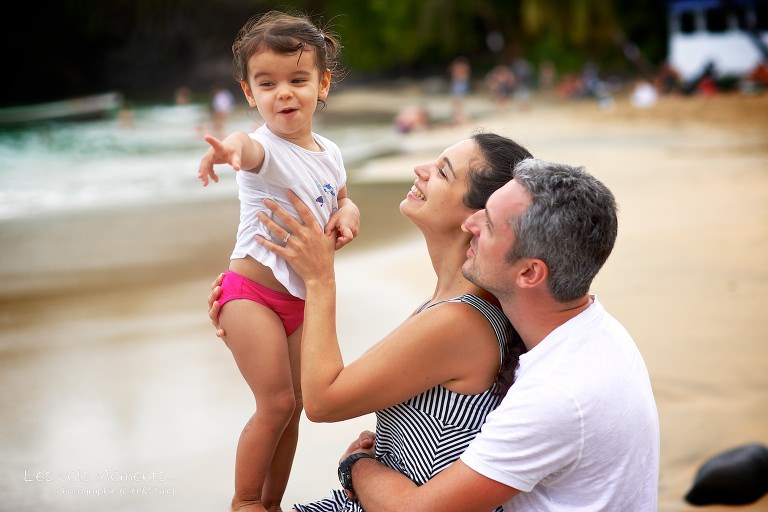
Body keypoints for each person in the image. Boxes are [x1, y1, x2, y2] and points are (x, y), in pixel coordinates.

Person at [206, 133, 533, 511]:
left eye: (442, 172)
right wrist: (251, 309)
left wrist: (319, 279)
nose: (420, 170)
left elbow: (323, 401)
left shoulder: (461, 319)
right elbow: (338, 384)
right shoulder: (449, 306)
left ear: (475, 218)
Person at [330, 159, 661, 511]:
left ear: (530, 273)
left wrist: (357, 465)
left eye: (487, 223)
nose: (469, 224)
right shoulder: (596, 331)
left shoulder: (557, 393)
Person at [197, 11, 360, 512]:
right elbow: (247, 151)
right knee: (274, 404)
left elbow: (341, 198)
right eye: (266, 84)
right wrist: (227, 149)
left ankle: (272, 502)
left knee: (295, 409)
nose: (283, 93)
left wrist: (347, 216)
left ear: (322, 83)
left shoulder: (329, 151)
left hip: (299, 301)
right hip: (250, 297)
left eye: (297, 80)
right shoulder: (262, 147)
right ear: (250, 94)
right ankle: (245, 501)